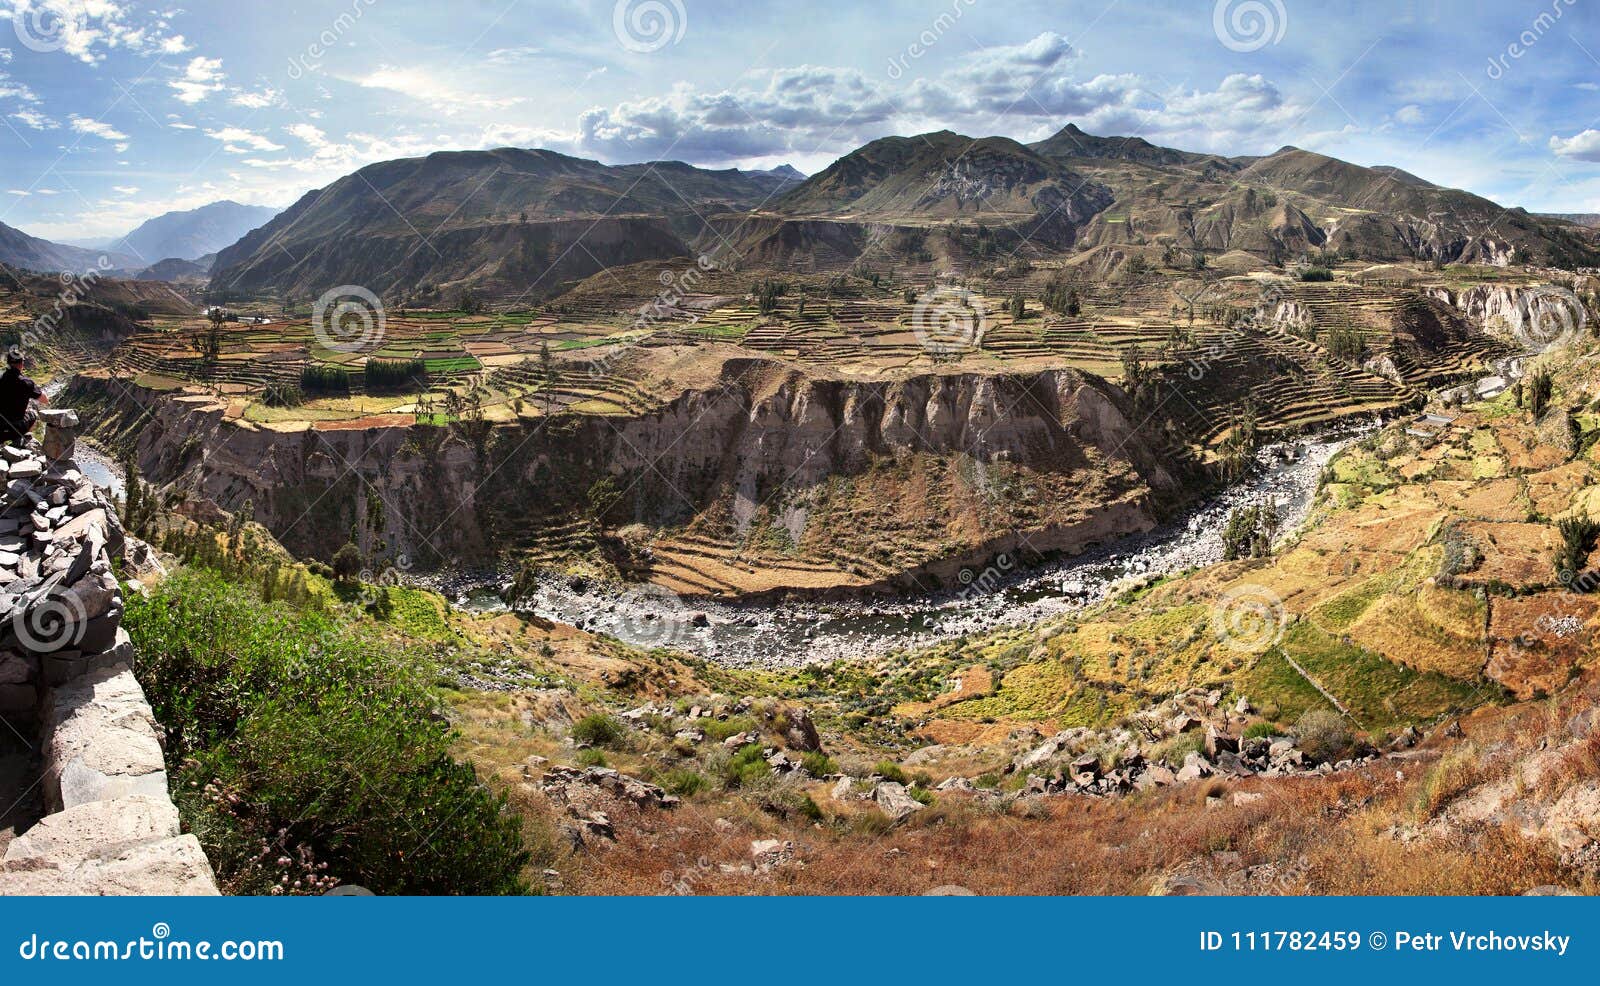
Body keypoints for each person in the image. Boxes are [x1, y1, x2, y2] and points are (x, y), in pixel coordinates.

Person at [0, 346, 46, 446]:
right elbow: (44, 400)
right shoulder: (26, 382)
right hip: (15, 429)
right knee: (33, 413)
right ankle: (19, 438)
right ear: (21, 364)